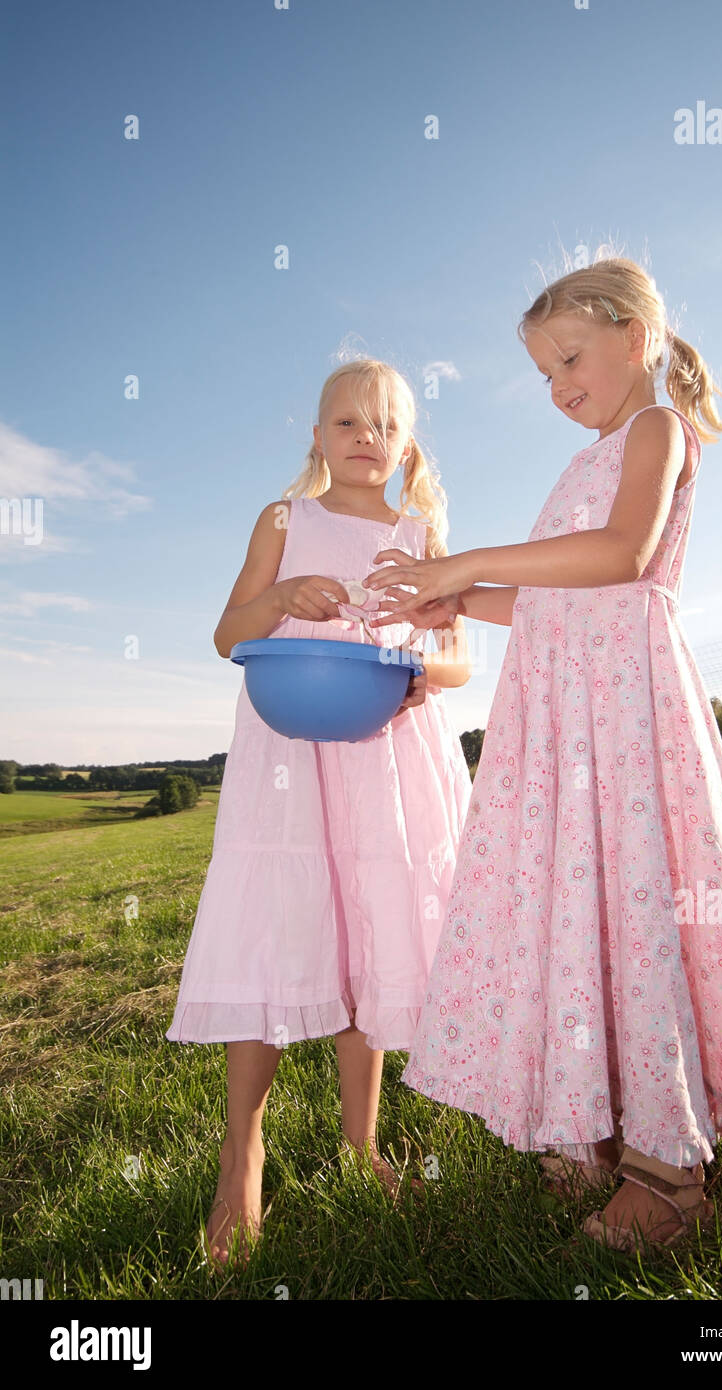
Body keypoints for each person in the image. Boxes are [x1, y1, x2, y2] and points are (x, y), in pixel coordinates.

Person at [362, 257, 722, 1253]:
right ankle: (597, 1118)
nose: (559, 385)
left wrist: (469, 558)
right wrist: (454, 600)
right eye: (543, 374)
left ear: (635, 336)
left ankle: (667, 1174)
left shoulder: (654, 430)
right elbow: (548, 598)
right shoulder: (581, 460)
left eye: (569, 357)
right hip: (560, 712)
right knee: (583, 903)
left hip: (622, 709)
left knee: (637, 900)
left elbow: (620, 556)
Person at [166, 358, 472, 1267]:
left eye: (383, 427)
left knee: (365, 934)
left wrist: (418, 670)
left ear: (406, 446)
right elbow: (229, 633)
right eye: (347, 423)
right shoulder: (283, 519)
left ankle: (360, 1143)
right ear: (316, 436)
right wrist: (280, 602)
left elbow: (456, 655)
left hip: (385, 753)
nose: (365, 439)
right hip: (289, 754)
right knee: (277, 921)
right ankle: (242, 1157)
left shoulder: (420, 532)